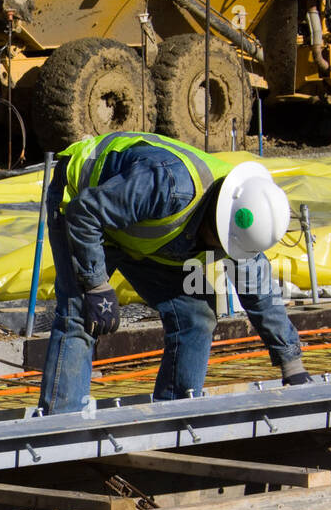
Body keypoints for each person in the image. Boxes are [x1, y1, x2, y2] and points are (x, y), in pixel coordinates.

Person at [39, 131, 310, 414]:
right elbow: (85, 214)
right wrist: (96, 285)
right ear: (215, 219)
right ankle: (60, 423)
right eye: (221, 243)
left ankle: (174, 414)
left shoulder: (240, 222)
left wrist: (291, 364)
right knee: (80, 314)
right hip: (82, 208)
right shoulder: (166, 186)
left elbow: (259, 293)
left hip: (137, 228)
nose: (221, 252)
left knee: (195, 315)